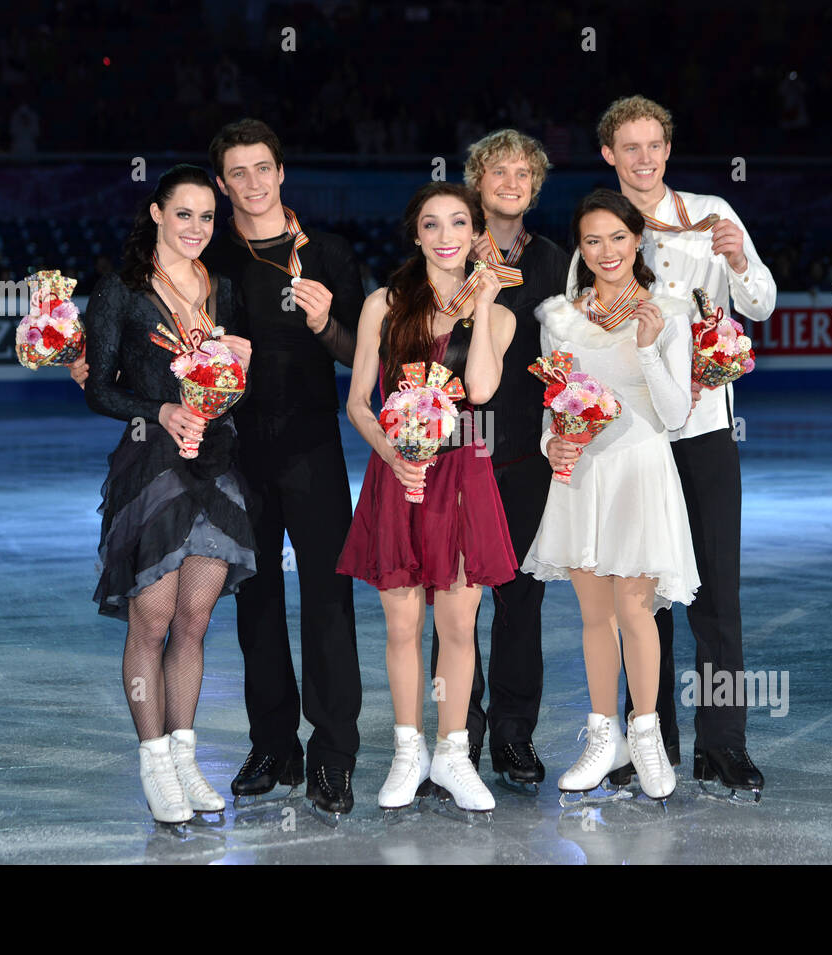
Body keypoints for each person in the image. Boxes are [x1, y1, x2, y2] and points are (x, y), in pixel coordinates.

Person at [596, 94, 775, 800]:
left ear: (668, 150)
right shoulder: (602, 228)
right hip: (633, 438)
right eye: (629, 148)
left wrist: (736, 262)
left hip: (703, 430)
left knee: (717, 598)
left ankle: (723, 745)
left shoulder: (713, 213)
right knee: (640, 601)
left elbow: (759, 302)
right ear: (608, 154)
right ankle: (652, 742)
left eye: (654, 146)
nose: (644, 159)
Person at [83, 163, 258, 824]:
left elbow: (230, 390)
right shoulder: (121, 291)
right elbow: (101, 387)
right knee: (150, 621)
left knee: (193, 620)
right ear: (156, 214)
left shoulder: (226, 290)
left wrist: (236, 369)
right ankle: (153, 761)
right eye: (183, 213)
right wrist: (159, 411)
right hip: (151, 467)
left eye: (207, 216)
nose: (195, 227)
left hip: (214, 467)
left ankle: (186, 757)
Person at [337, 181, 519, 815]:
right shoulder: (383, 304)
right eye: (432, 225)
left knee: (459, 625)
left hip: (463, 475)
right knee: (402, 624)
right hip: (397, 476)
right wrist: (395, 457)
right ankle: (408, 751)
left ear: (476, 234)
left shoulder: (500, 312)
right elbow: (359, 402)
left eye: (458, 224)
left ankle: (455, 751)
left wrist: (487, 304)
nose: (446, 237)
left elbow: (483, 391)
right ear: (416, 235)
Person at [200, 119, 364, 818]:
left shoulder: (327, 252)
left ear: (282, 170)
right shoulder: (211, 263)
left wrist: (326, 324)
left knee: (329, 599)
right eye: (237, 173)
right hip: (236, 452)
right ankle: (273, 745)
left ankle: (332, 754)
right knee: (254, 599)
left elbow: (363, 355)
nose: (253, 182)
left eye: (262, 167)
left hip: (313, 445)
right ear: (220, 183)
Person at [524, 188, 699, 802]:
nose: (606, 251)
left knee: (635, 610)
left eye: (618, 238)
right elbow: (555, 405)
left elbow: (676, 414)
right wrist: (554, 446)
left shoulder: (668, 312)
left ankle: (645, 733)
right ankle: (605, 737)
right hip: (584, 476)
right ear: (580, 245)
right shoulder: (559, 319)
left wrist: (649, 349)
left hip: (641, 470)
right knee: (594, 616)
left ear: (637, 241)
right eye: (592, 240)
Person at [428, 129, 569, 791]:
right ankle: (456, 739)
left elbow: (571, 357)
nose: (511, 182)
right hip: (455, 451)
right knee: (453, 608)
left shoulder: (555, 261)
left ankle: (513, 736)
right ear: (476, 180)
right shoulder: (446, 247)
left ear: (535, 187)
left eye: (523, 174)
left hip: (525, 455)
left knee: (520, 600)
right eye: (498, 171)